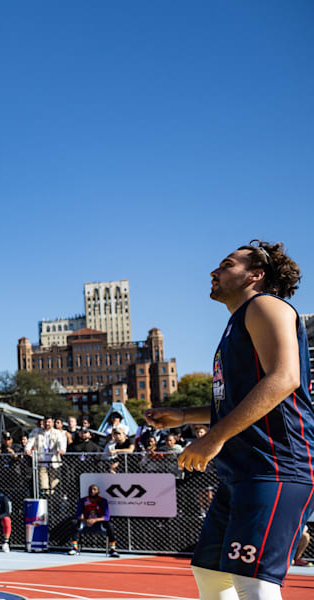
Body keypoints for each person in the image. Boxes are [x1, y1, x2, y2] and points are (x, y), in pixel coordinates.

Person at [145, 240, 312, 599]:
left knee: (253, 584)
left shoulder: (266, 306)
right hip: (243, 471)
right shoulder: (236, 324)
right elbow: (241, 400)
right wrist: (185, 416)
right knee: (209, 572)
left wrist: (213, 437)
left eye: (226, 265)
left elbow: (284, 379)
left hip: (278, 466)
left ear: (256, 275)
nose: (214, 272)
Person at [67, 484, 118, 557]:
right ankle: (75, 548)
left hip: (98, 523)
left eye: (94, 489)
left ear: (98, 491)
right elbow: (78, 515)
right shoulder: (83, 500)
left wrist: (94, 520)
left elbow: (107, 517)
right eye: (90, 489)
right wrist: (85, 520)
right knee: (74, 522)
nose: (92, 491)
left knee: (109, 525)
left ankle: (113, 550)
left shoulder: (103, 501)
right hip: (86, 523)